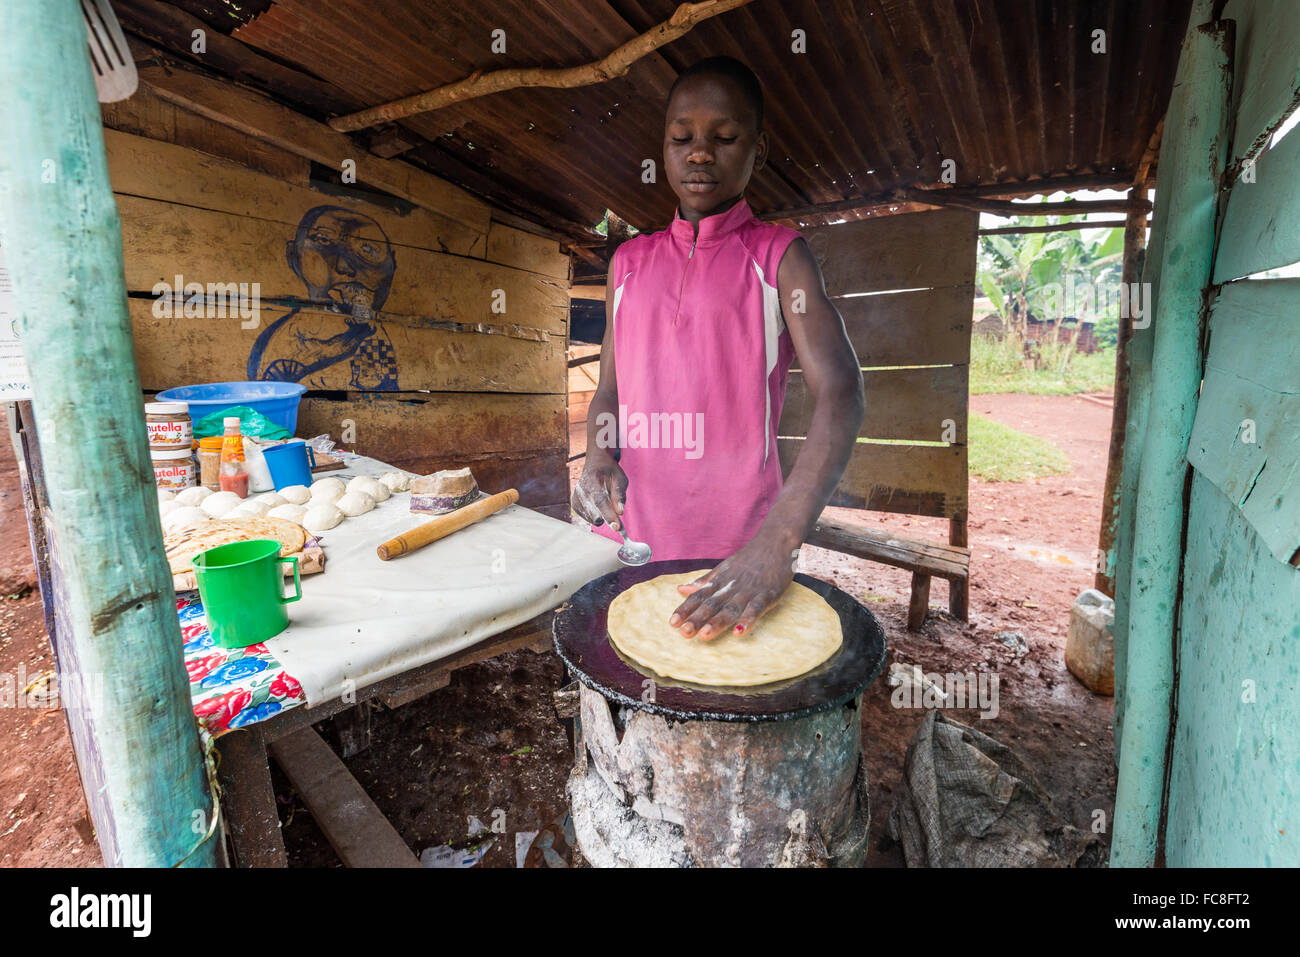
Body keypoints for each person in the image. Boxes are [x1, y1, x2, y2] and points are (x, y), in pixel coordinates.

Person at [572, 56, 865, 641]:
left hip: (736, 549)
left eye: (724, 137)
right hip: (629, 535)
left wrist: (776, 545)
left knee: (719, 693)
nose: (699, 153)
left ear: (757, 148)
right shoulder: (628, 263)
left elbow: (842, 394)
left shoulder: (780, 259)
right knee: (627, 678)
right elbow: (610, 390)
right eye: (682, 138)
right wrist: (601, 458)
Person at [247, 205, 399, 390]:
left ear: (393, 266)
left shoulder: (381, 338)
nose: (344, 266)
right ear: (293, 254)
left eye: (368, 250)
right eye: (323, 240)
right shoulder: (284, 340)